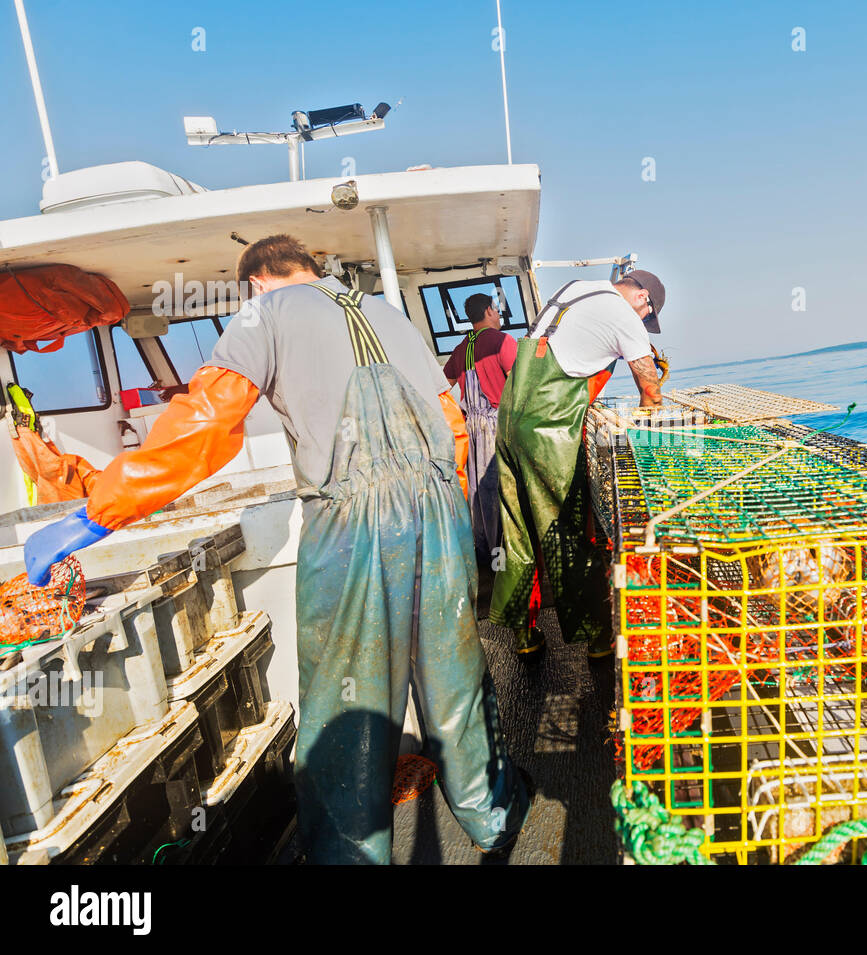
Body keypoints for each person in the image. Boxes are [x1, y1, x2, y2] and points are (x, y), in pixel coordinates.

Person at [25, 234, 530, 863]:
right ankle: (492, 815)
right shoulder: (385, 311)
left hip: (352, 523)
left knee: (350, 696)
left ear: (257, 282)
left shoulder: (264, 312)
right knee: (454, 674)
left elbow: (208, 423)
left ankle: (350, 853)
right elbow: (449, 418)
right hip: (439, 511)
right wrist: (441, 511)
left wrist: (100, 512)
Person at [490, 269, 666, 659]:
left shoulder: (574, 290)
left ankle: (523, 634)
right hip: (546, 430)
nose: (642, 323)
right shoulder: (625, 316)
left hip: (508, 423)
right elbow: (651, 396)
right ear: (643, 299)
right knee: (565, 529)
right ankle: (597, 638)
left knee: (517, 529)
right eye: (646, 317)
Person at [442, 292, 517, 567]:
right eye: (496, 310)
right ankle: (506, 560)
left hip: (471, 428)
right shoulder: (502, 341)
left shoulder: (462, 348)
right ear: (488, 310)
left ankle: (485, 558)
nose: (498, 315)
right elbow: (517, 385)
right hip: (496, 426)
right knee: (502, 491)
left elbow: (442, 385)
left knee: (478, 493)